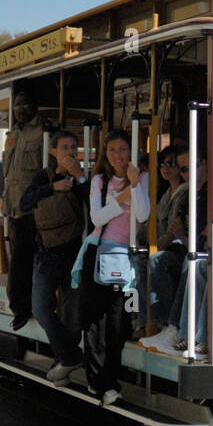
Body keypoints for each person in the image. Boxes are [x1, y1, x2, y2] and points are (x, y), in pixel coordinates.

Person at [83, 129, 150, 404]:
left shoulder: (141, 179)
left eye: (122, 150)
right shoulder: (99, 180)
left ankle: (109, 381)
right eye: (112, 150)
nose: (118, 156)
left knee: (119, 323)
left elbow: (144, 215)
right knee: (97, 323)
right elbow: (97, 218)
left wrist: (134, 187)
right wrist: (121, 199)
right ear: (105, 154)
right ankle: (99, 383)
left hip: (127, 259)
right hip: (101, 256)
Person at [19, 130, 88, 381]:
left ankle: (64, 363)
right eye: (65, 147)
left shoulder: (84, 178)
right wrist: (53, 187)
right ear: (53, 151)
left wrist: (80, 178)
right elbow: (23, 203)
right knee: (41, 308)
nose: (69, 152)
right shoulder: (43, 177)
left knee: (72, 316)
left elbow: (94, 205)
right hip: (47, 255)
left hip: (75, 255)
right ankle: (70, 357)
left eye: (73, 148)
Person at [0, 88, 45, 329]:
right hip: (14, 208)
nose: (19, 110)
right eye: (16, 106)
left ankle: (23, 307)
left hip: (33, 209)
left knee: (24, 261)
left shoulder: (42, 133)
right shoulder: (12, 135)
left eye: (24, 105)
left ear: (34, 107)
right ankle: (21, 306)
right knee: (19, 260)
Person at [143, 144, 191, 331]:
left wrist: (158, 246)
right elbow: (153, 224)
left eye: (171, 163)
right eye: (162, 164)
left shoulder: (185, 192)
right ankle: (143, 320)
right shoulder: (166, 194)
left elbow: (173, 230)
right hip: (166, 245)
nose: (166, 168)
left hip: (180, 248)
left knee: (157, 260)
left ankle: (163, 324)